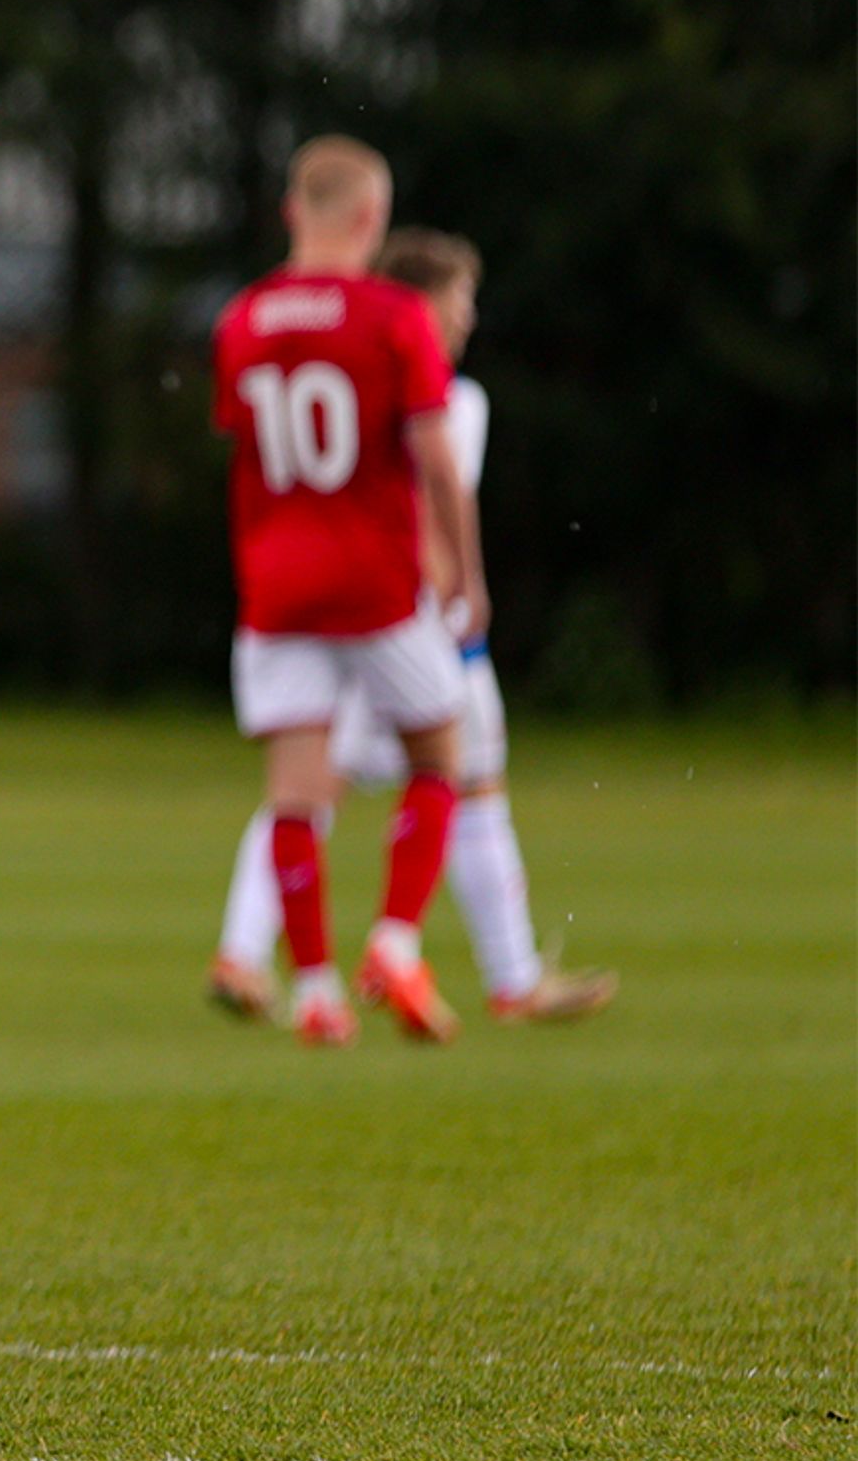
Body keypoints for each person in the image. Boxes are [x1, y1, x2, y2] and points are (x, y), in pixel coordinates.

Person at [210, 228, 608, 1026]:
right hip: (401, 620)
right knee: (354, 786)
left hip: (352, 607)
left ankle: (499, 974)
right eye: (460, 300)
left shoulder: (324, 350)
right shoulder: (429, 385)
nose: (469, 318)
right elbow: (431, 491)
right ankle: (375, 955)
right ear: (422, 304)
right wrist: (463, 591)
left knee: (388, 788)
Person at [199, 138, 487, 1047]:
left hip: (278, 585)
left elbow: (244, 446)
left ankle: (316, 989)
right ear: (371, 219)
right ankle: (396, 942)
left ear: (293, 213)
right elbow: (437, 462)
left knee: (294, 791)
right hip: (374, 578)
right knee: (444, 753)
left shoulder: (241, 320)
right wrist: (467, 574)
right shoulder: (394, 316)